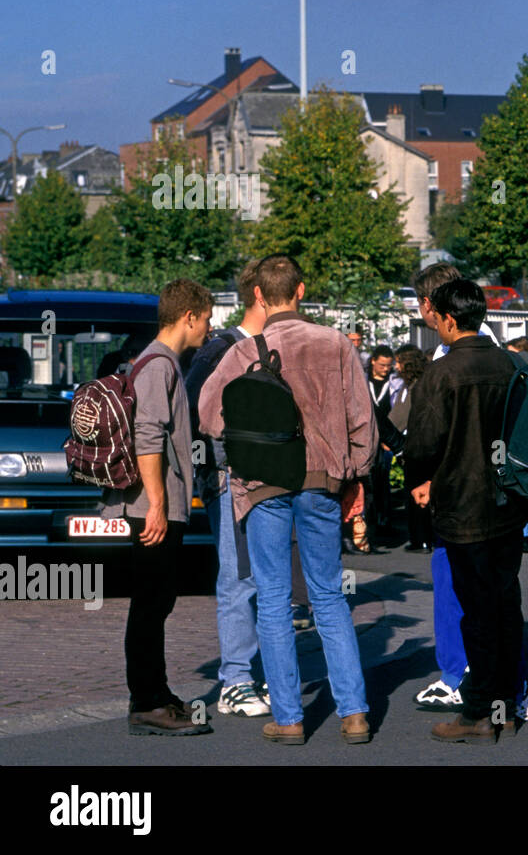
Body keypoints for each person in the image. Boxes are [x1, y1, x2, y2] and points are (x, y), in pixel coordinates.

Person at [199, 255, 376, 746]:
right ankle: (354, 712)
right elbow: (362, 419)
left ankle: (290, 716)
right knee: (327, 595)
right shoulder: (335, 344)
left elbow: (210, 416)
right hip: (322, 481)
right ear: (301, 289)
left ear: (258, 295)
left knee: (273, 599)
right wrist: (356, 476)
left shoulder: (244, 351)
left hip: (262, 485)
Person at [407, 263, 528, 723]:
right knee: (504, 605)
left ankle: (481, 709)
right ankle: (512, 697)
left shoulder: (441, 372)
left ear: (444, 317)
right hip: (508, 501)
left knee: (474, 610)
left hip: (461, 505)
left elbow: (421, 444)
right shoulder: (512, 364)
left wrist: (423, 483)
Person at [103, 279, 214, 736]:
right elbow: (147, 436)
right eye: (207, 319)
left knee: (157, 600)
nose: (209, 328)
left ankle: (156, 691)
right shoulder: (159, 366)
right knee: (149, 604)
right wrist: (156, 503)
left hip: (158, 506)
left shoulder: (160, 362)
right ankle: (146, 701)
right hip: (152, 509)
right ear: (188, 316)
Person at [183, 262, 271, 717]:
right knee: (239, 578)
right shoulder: (220, 350)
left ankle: (255, 673)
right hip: (230, 480)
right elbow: (193, 415)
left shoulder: (270, 344)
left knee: (260, 578)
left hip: (266, 480)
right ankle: (236, 678)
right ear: (261, 296)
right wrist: (212, 475)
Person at [389, 344, 434, 553]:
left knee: (414, 494)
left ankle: (420, 539)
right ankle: (425, 538)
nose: (396, 366)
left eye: (398, 361)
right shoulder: (422, 384)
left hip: (414, 447)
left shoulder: (412, 388)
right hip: (424, 446)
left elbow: (399, 418)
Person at [365, 345, 397, 543]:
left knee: (383, 482)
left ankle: (384, 520)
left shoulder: (394, 384)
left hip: (386, 442)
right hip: (368, 439)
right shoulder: (362, 381)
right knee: (368, 482)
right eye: (382, 365)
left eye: (389, 365)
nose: (386, 369)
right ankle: (370, 522)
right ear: (373, 362)